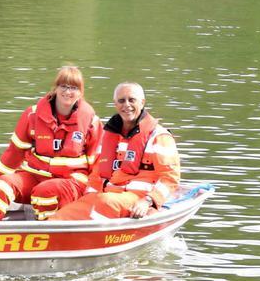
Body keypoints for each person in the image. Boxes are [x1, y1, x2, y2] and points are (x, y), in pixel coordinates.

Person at [0, 66, 102, 221]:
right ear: (56, 88)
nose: (68, 92)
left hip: (71, 182)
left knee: (45, 191)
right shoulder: (33, 115)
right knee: (3, 185)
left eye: (74, 88)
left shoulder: (91, 122)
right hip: (34, 176)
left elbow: (99, 162)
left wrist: (94, 192)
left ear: (80, 93)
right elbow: (15, 151)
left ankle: (48, 234)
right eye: (63, 86)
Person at [51, 81, 179, 220]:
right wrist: (88, 197)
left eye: (132, 100)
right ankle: (54, 232)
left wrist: (148, 201)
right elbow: (96, 174)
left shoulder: (158, 137)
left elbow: (169, 178)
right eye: (121, 101)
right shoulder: (108, 136)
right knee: (64, 214)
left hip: (138, 199)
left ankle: (87, 236)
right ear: (115, 104)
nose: (126, 105)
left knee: (105, 202)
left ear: (142, 102)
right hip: (105, 196)